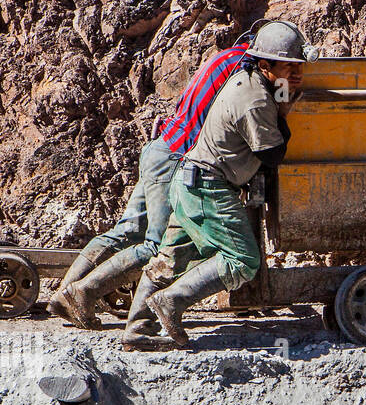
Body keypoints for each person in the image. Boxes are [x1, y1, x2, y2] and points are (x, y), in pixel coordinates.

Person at [122, 20, 315, 351]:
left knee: (169, 259)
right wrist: (283, 115)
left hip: (188, 183)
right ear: (265, 65)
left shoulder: (252, 81)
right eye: (289, 65)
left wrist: (280, 102)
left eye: (299, 64)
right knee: (243, 260)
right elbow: (272, 155)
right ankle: (171, 302)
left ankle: (137, 330)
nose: (297, 72)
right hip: (208, 187)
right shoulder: (254, 100)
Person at [50, 38, 251, 329]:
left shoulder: (224, 57)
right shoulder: (243, 69)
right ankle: (82, 292)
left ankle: (64, 295)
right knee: (156, 246)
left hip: (161, 147)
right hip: (178, 156)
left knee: (128, 230)